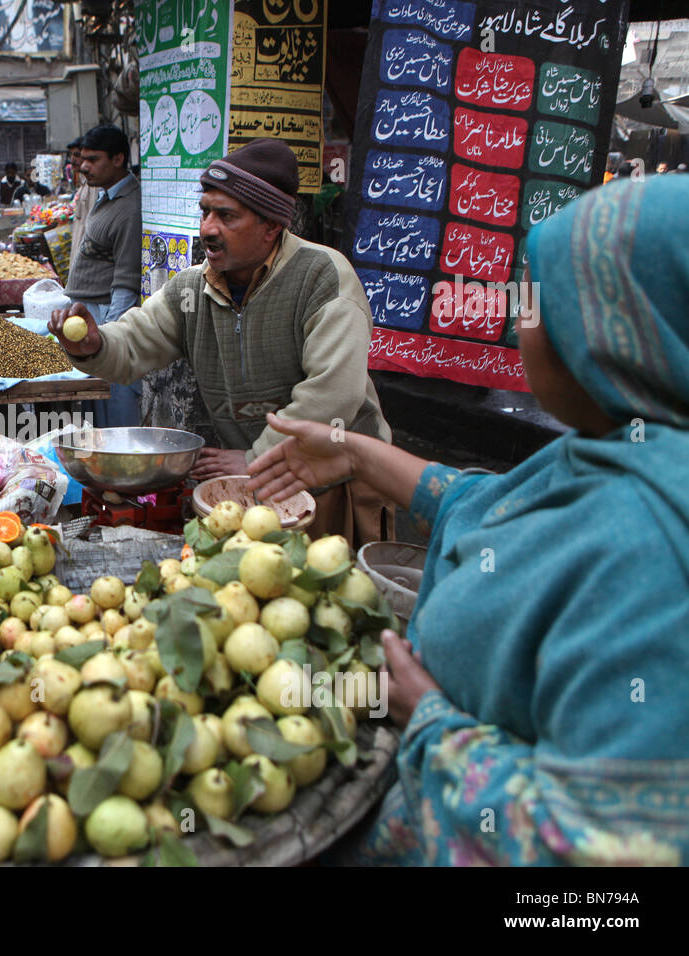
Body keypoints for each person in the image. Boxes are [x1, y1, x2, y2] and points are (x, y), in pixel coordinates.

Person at [253, 175, 689, 866]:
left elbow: (605, 864)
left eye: (540, 298)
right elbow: (478, 503)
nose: (519, 318)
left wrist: (428, 719)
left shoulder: (653, 556)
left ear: (605, 333)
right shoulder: (622, 448)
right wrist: (353, 451)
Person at [50, 138, 392, 547]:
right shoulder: (194, 287)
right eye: (205, 211)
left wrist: (255, 458)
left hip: (334, 476)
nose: (208, 229)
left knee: (327, 591)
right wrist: (93, 344)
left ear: (271, 227)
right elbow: (135, 341)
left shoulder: (321, 277)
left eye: (226, 216)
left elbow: (332, 395)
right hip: (252, 484)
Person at [63, 124, 144, 429]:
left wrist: (109, 339)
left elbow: (126, 283)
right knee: (95, 412)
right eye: (82, 158)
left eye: (93, 159)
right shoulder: (106, 195)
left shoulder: (128, 208)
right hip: (87, 315)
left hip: (106, 316)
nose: (83, 167)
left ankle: (126, 469)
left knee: (117, 414)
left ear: (118, 159)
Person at [68, 138, 95, 254]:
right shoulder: (82, 183)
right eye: (71, 155)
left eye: (77, 155)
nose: (73, 160)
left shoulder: (93, 185)